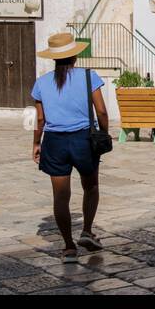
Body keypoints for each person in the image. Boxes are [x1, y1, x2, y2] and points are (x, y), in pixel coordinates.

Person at [31, 32, 108, 263]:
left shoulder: (41, 83)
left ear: (53, 58)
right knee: (91, 186)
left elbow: (40, 120)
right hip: (84, 140)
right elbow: (102, 111)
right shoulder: (88, 77)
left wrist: (36, 143)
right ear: (74, 55)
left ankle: (68, 247)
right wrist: (103, 133)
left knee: (60, 196)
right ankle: (86, 230)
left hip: (54, 142)